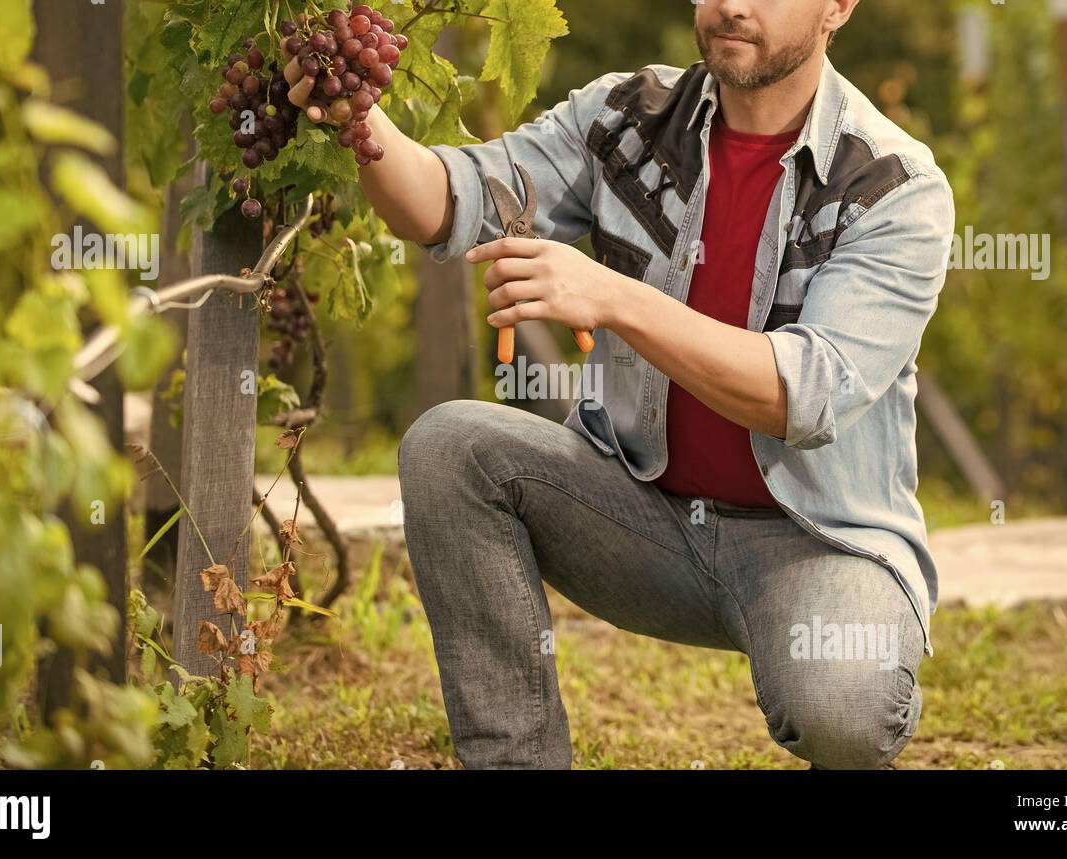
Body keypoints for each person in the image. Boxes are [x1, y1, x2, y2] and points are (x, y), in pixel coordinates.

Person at [289, 0, 955, 769]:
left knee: (843, 706)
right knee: (450, 446)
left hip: (816, 542)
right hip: (642, 519)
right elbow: (453, 200)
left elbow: (802, 395)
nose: (735, 5)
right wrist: (358, 117)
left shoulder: (892, 184)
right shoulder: (626, 118)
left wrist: (612, 296)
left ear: (838, 6)